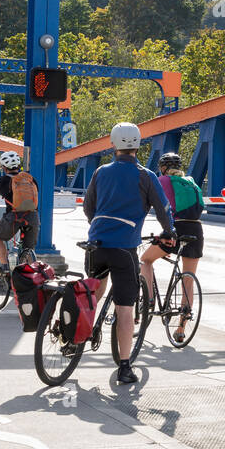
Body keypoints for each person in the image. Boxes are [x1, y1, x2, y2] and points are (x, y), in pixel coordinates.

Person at [83, 123, 176, 385]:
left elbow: (88, 208)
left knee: (94, 292)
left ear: (113, 145)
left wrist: (100, 226)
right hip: (124, 249)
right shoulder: (145, 176)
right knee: (125, 308)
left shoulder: (100, 172)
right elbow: (163, 208)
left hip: (96, 243)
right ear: (137, 145)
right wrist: (169, 231)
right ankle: (124, 366)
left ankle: (79, 337)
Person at [141, 152, 204, 344]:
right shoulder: (191, 182)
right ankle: (181, 329)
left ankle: (149, 301)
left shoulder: (162, 180)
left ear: (162, 168)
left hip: (177, 229)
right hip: (196, 230)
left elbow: (153, 205)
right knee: (187, 279)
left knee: (146, 259)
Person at [0, 151, 39, 274]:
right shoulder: (31, 179)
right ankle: (31, 277)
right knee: (28, 249)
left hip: (14, 217)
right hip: (33, 217)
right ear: (19, 166)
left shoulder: (1, 182)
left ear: (3, 167)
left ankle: (4, 266)